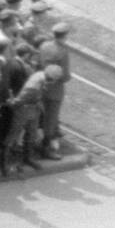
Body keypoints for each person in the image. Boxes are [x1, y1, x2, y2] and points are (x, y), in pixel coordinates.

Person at [1, 70, 45, 176]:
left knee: (31, 134)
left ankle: (28, 158)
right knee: (13, 135)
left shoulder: (42, 81)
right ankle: (4, 162)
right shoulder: (33, 86)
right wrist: (12, 103)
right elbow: (20, 100)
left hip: (34, 110)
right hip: (23, 111)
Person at [39, 25, 72, 159]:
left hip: (42, 85)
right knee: (51, 119)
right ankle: (47, 148)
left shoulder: (44, 46)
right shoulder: (63, 52)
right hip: (55, 90)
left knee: (43, 114)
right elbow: (65, 76)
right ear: (64, 36)